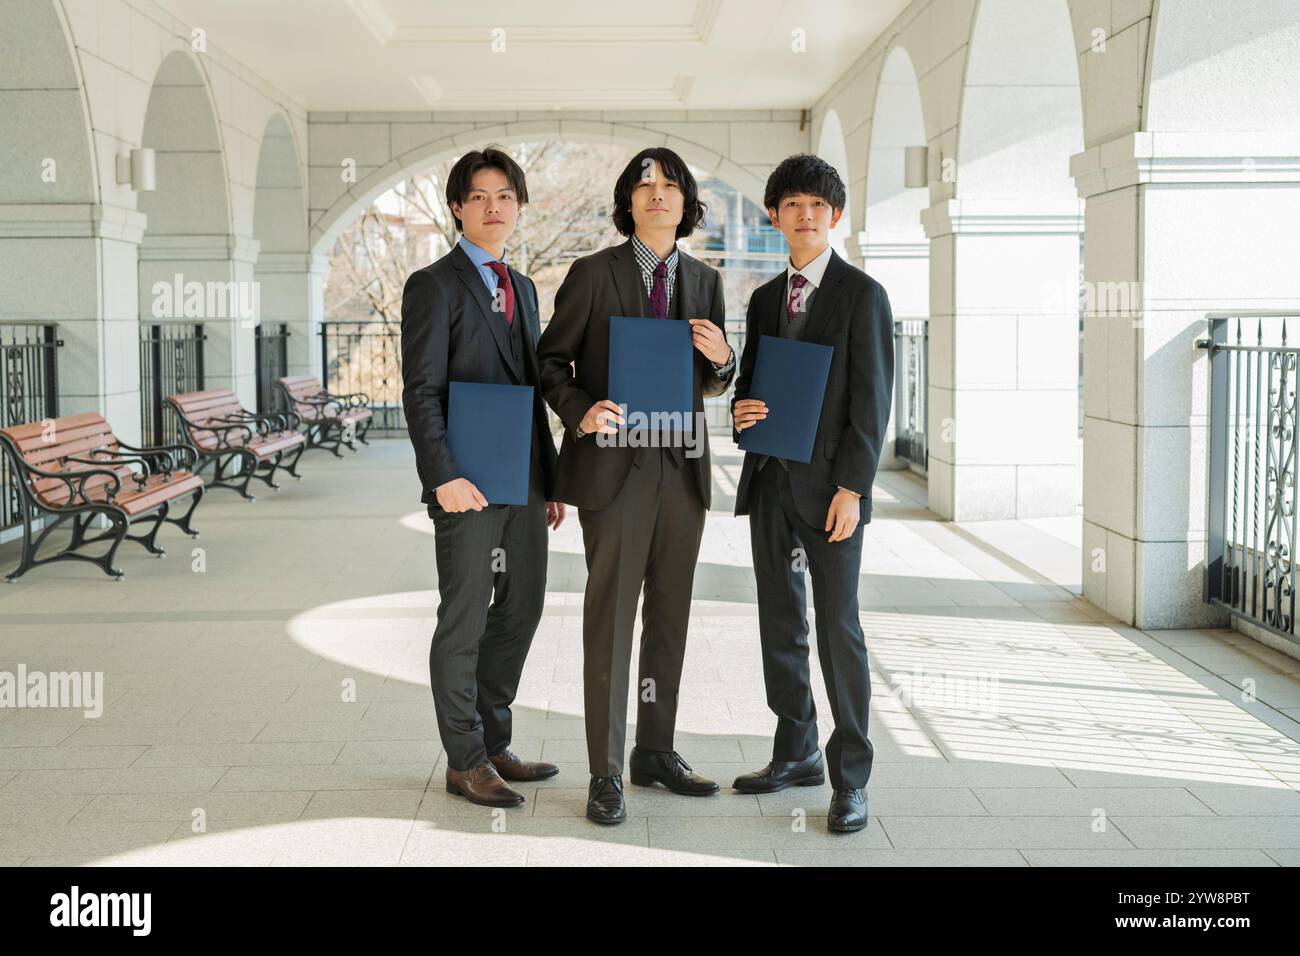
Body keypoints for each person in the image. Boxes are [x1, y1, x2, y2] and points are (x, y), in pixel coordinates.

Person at [536, 147, 735, 824]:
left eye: (670, 185)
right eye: (644, 185)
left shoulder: (705, 281)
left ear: (686, 203)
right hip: (615, 469)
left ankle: (655, 750)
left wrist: (724, 360)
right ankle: (606, 772)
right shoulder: (593, 275)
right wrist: (581, 410)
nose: (658, 195)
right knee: (612, 621)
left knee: (670, 618)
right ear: (627, 202)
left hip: (681, 469)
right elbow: (549, 361)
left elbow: (709, 379)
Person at [730, 153, 894, 833]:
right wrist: (740, 410)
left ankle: (850, 777)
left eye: (818, 207)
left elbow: (872, 402)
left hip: (832, 493)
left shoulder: (863, 295)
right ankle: (796, 749)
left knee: (838, 629)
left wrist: (853, 488)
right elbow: (754, 389)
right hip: (770, 481)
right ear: (774, 216)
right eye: (792, 205)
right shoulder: (765, 299)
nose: (805, 217)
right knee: (779, 623)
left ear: (835, 217)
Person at [400, 145, 565, 808]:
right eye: (480, 197)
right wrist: (442, 475)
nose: (494, 208)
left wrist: (549, 480)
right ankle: (464, 759)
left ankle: (495, 742)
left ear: (519, 206)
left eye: (506, 196)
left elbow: (529, 389)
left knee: (521, 607)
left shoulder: (521, 287)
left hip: (522, 479)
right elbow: (421, 390)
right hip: (464, 483)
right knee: (464, 618)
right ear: (457, 208)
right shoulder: (433, 285)